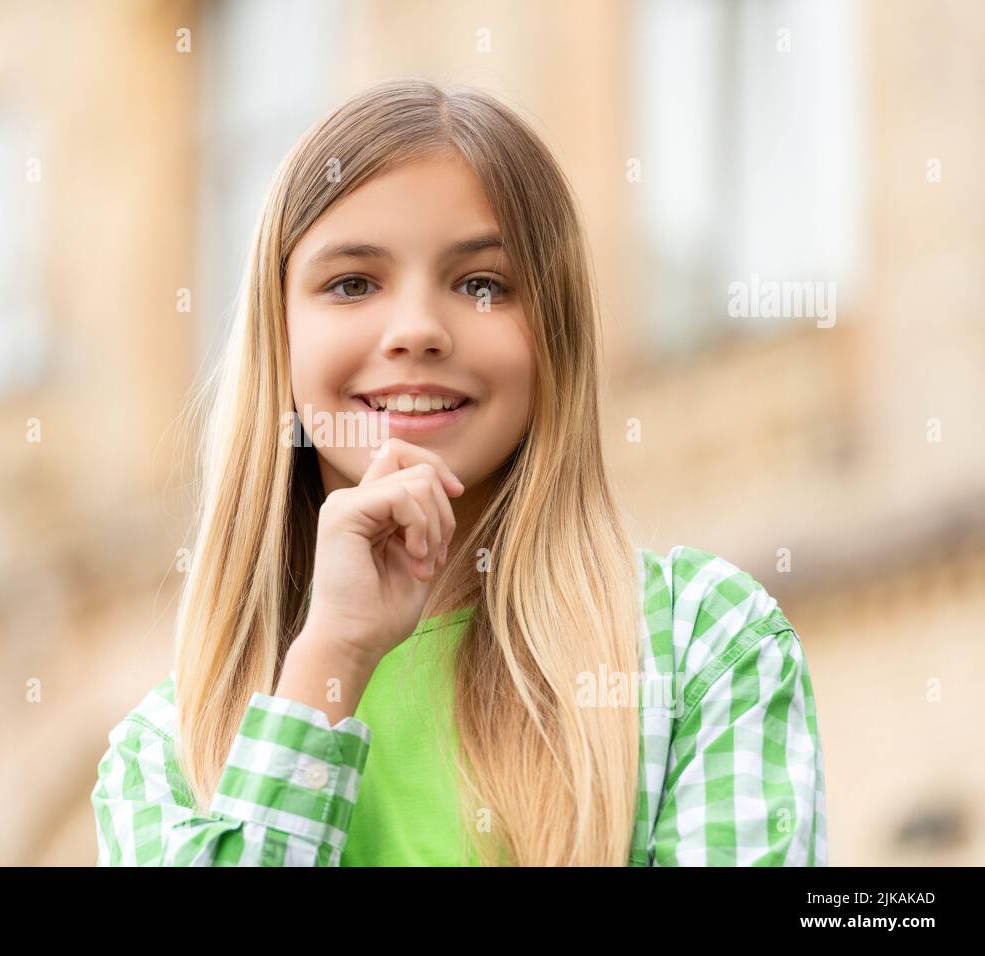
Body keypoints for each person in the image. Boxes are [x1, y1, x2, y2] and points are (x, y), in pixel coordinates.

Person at [91, 77, 827, 866]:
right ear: (281, 335)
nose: (416, 330)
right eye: (353, 284)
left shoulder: (703, 647)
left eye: (482, 285)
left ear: (556, 335)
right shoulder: (161, 758)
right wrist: (328, 662)